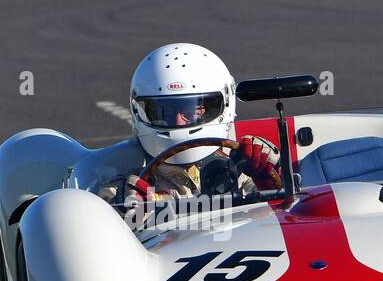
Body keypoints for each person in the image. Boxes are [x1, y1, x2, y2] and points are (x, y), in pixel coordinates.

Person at [94, 44, 282, 207]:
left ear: (223, 104)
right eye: (164, 112)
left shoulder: (242, 172)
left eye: (191, 111)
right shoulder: (124, 190)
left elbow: (284, 221)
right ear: (139, 110)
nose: (178, 122)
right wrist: (125, 212)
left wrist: (267, 182)